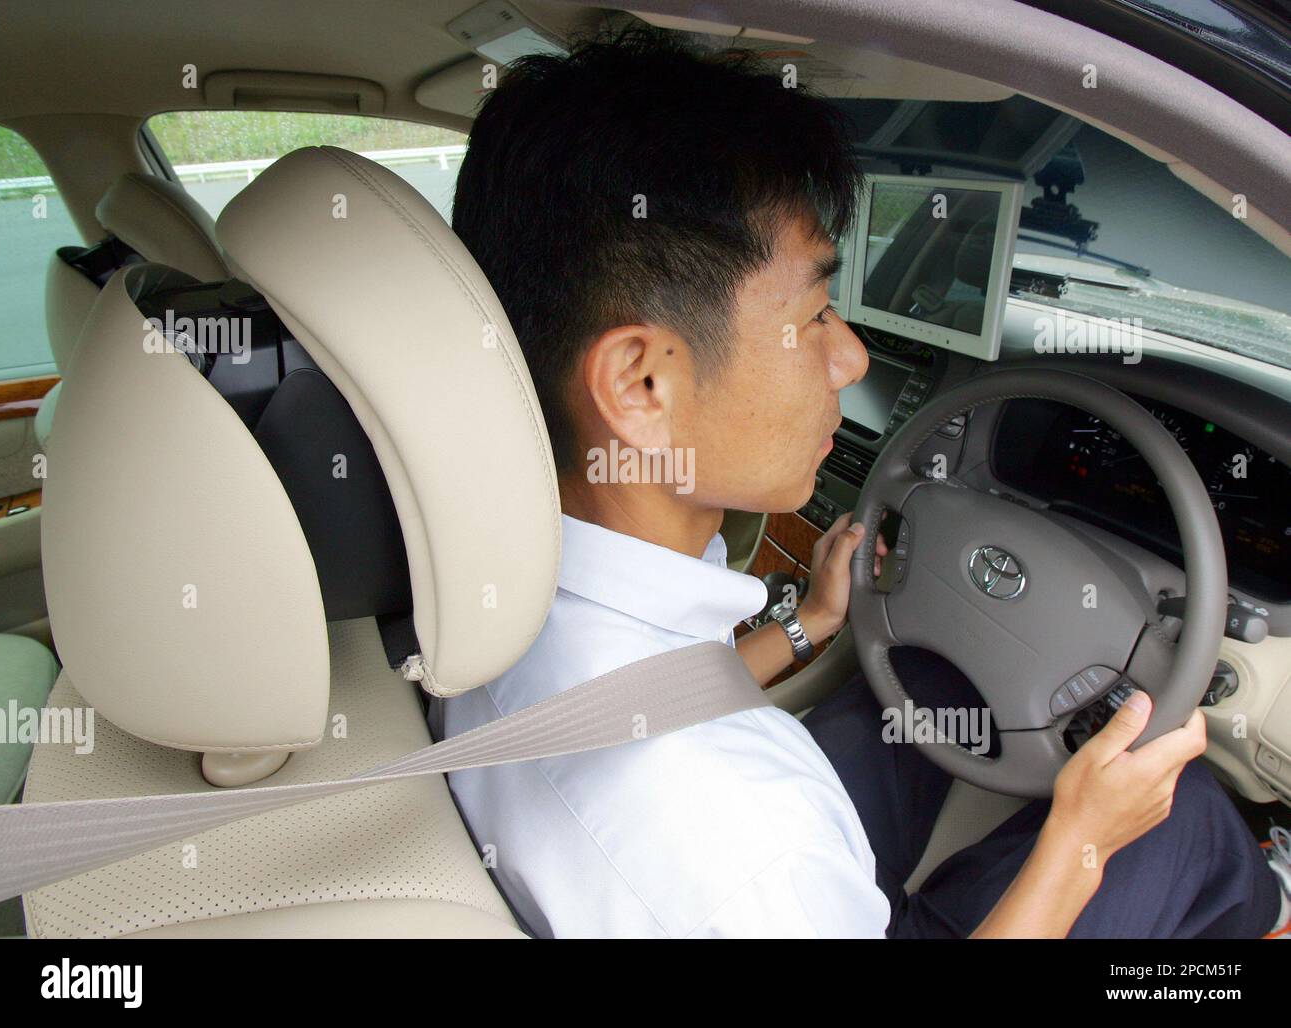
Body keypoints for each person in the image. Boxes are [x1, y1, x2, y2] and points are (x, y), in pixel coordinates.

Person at [439, 27, 1288, 938]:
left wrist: (811, 622)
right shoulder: (748, 846)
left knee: (933, 692)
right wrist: (1083, 836)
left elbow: (643, 697)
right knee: (1190, 819)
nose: (850, 357)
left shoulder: (497, 595)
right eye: (812, 315)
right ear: (642, 386)